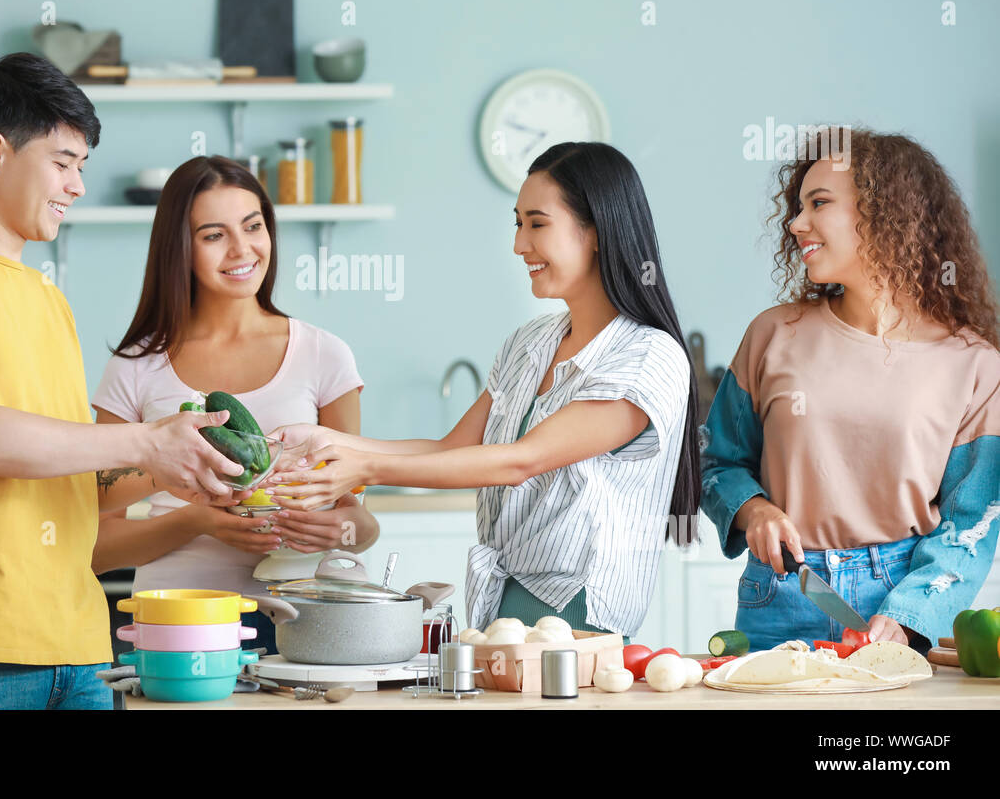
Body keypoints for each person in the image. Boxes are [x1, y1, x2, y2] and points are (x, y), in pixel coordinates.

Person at [0, 54, 244, 710]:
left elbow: (70, 470)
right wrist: (147, 443)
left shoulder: (47, 297)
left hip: (78, 648)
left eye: (82, 167)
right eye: (64, 163)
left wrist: (185, 463)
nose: (78, 185)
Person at [270, 142, 699, 640]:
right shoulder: (529, 342)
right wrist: (328, 442)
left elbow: (521, 461)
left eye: (537, 224)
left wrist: (365, 468)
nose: (519, 244)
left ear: (598, 231)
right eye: (518, 223)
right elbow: (454, 449)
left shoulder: (648, 355)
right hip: (502, 601)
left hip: (580, 612)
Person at [701, 128, 1000, 653]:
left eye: (819, 203)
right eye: (796, 206)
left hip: (897, 601)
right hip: (781, 591)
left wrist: (911, 614)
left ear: (890, 213)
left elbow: (970, 524)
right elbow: (714, 461)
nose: (796, 223)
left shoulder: (975, 365)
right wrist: (755, 510)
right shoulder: (772, 335)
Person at [89, 156, 377, 652]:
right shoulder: (136, 368)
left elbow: (361, 520)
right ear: (180, 248)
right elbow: (94, 547)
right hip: (182, 624)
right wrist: (196, 520)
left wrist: (337, 529)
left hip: (305, 625)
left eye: (253, 226)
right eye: (214, 235)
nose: (242, 249)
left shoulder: (325, 356)